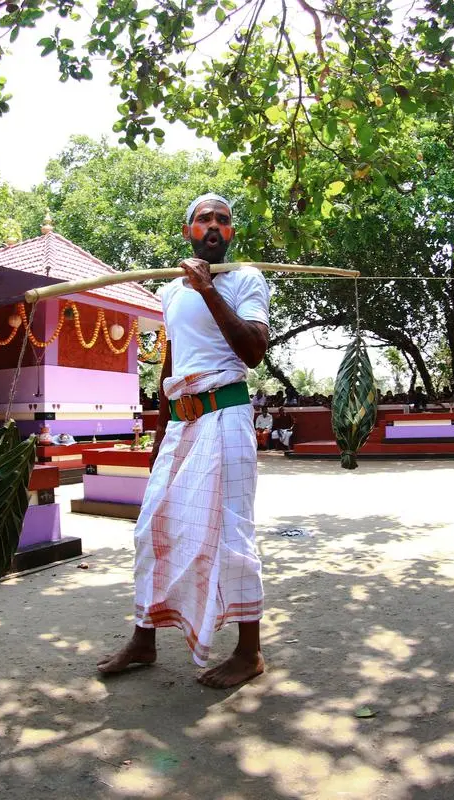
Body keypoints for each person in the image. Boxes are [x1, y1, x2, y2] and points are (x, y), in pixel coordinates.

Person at [97, 192, 269, 689]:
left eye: (223, 219)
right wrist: (159, 430)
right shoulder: (170, 292)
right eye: (203, 219)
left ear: (231, 233)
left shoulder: (245, 279)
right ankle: (144, 638)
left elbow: (254, 350)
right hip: (181, 422)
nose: (214, 225)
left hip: (227, 414)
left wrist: (209, 290)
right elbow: (172, 363)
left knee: (232, 534)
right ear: (187, 230)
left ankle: (249, 652)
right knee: (151, 527)